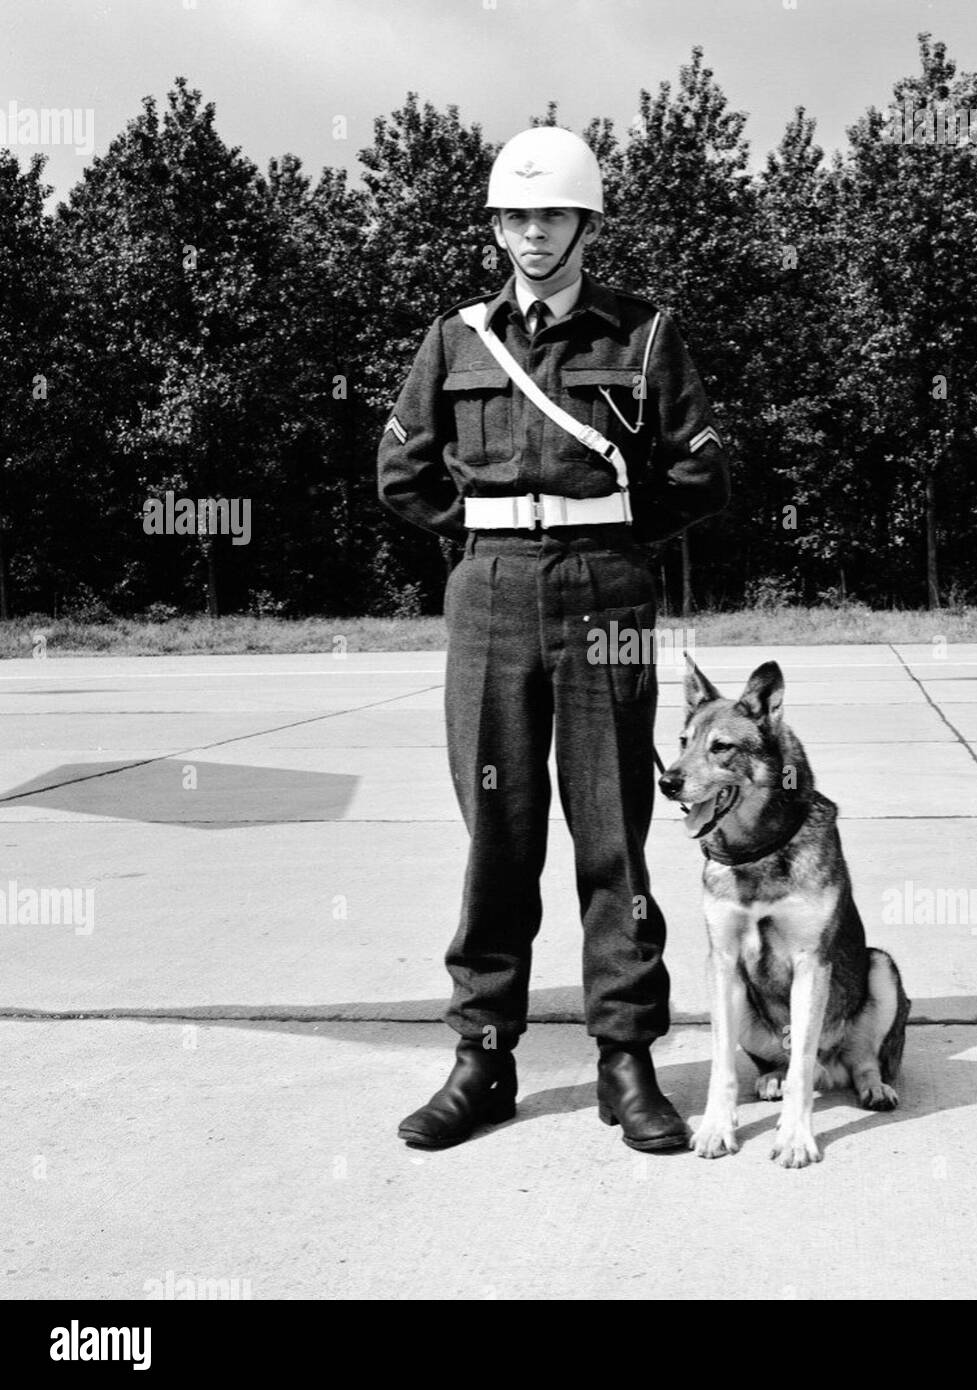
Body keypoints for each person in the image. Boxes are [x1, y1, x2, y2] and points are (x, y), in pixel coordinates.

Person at [376, 124, 730, 1152]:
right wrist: (487, 537)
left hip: (606, 599)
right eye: (517, 217)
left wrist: (611, 541)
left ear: (586, 224)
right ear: (496, 226)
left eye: (554, 216)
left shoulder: (646, 336)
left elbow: (702, 473)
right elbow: (401, 472)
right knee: (500, 835)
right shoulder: (456, 341)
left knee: (613, 830)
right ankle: (483, 1056)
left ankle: (626, 1059)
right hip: (489, 599)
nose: (534, 234)